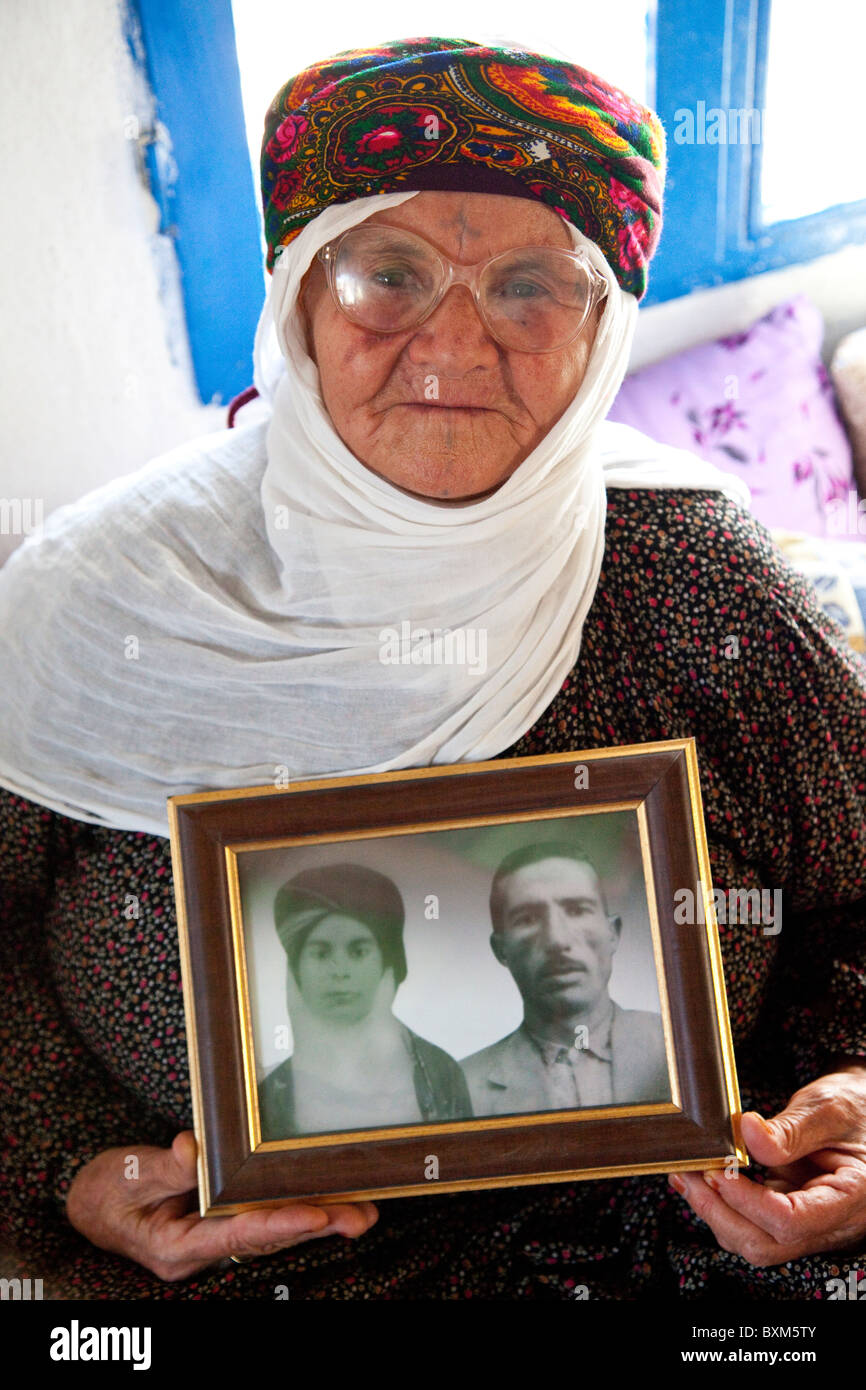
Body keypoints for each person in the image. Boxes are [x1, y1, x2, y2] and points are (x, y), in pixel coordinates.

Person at [0, 36, 865, 1298]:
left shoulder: (699, 574)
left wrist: (850, 1088)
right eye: (385, 274)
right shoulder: (95, 602)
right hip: (242, 1274)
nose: (454, 345)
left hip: (706, 1243)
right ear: (297, 296)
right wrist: (71, 1159)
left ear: (598, 333)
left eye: (529, 286)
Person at [257, 864, 471, 1136]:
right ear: (297, 968)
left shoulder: (441, 1075)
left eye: (358, 952)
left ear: (386, 960)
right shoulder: (269, 1097)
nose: (340, 971)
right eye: (321, 954)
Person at [463, 844, 669, 1114]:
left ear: (613, 933)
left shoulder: (675, 1051)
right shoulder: (463, 1086)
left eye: (576, 910)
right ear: (501, 950)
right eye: (527, 919)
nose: (557, 940)